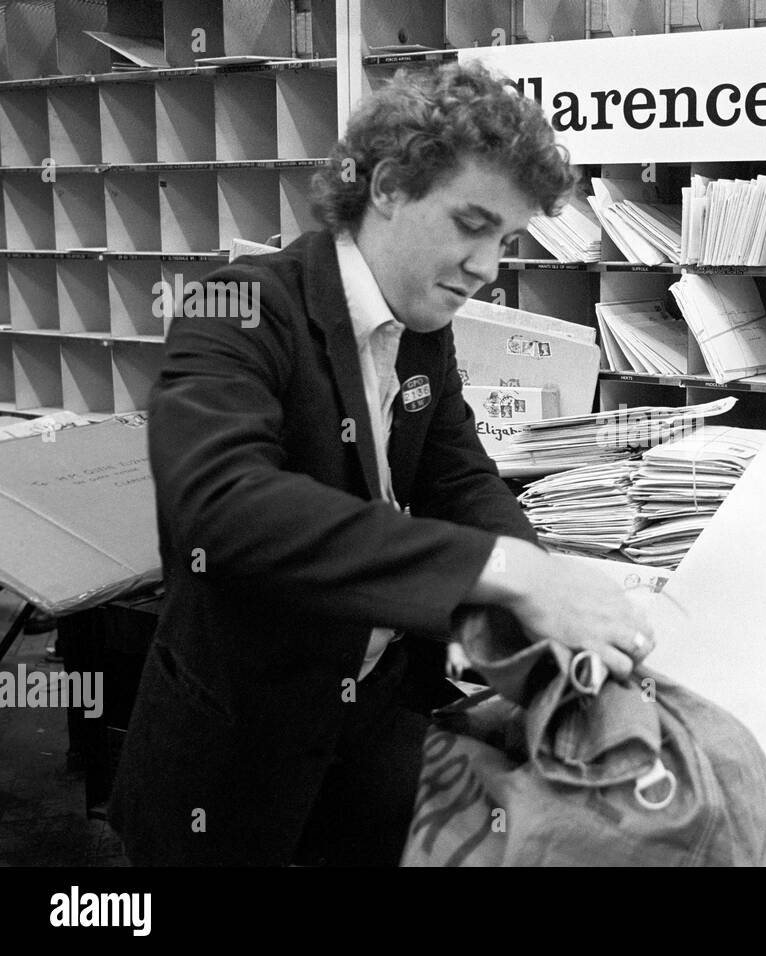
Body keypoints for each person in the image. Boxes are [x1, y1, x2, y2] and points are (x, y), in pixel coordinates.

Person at [109, 62, 653, 867]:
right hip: (235, 758)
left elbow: (457, 476)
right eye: (471, 223)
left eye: (503, 240)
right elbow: (221, 509)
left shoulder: (420, 323)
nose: (486, 267)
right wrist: (505, 571)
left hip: (373, 722)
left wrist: (542, 591)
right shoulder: (238, 307)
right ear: (390, 186)